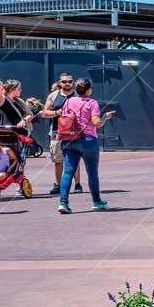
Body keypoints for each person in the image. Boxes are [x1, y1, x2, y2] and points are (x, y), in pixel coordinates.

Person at [56, 77, 116, 215]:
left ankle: (63, 203)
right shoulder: (92, 102)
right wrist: (105, 118)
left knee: (68, 171)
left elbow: (65, 117)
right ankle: (96, 201)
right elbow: (96, 123)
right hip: (88, 140)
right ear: (88, 90)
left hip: (69, 139)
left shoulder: (69, 101)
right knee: (92, 172)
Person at [38, 74, 83, 195]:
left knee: (75, 159)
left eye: (69, 81)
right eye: (64, 81)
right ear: (60, 83)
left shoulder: (78, 95)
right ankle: (57, 185)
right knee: (58, 160)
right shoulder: (53, 95)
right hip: (57, 132)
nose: (67, 83)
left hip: (75, 132)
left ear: (73, 82)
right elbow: (44, 112)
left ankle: (77, 184)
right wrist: (56, 112)